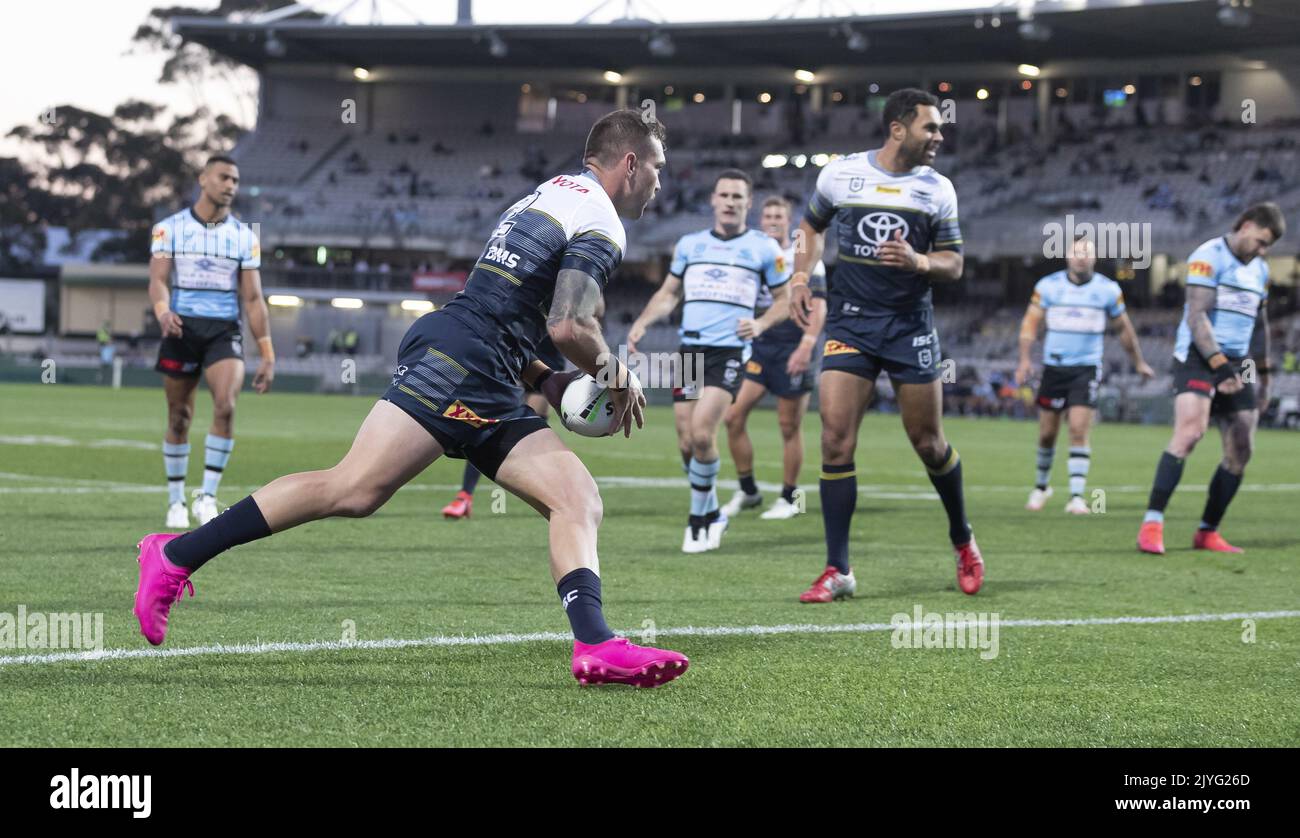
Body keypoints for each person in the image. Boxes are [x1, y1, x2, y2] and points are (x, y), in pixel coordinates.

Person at [133, 110, 689, 688]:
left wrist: (548, 380)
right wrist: (618, 373)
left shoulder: (547, 195)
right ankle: (173, 557)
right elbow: (571, 325)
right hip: (463, 364)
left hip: (480, 363)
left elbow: (500, 309)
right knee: (352, 488)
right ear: (630, 164)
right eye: (657, 168)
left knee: (576, 496)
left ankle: (595, 644)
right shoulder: (601, 219)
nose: (659, 183)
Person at [789, 88, 983, 602]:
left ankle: (963, 538)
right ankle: (838, 569)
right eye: (931, 127)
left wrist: (920, 262)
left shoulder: (937, 189)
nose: (939, 136)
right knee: (835, 440)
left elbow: (954, 263)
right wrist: (799, 279)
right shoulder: (840, 174)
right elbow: (809, 227)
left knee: (929, 444)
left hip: (909, 329)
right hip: (851, 326)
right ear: (898, 128)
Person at [1137, 202, 1284, 555]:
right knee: (1190, 432)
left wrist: (1263, 376)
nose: (1262, 251)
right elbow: (1196, 317)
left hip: (1237, 362)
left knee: (1242, 447)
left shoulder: (1259, 271)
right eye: (1261, 241)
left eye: (1268, 247)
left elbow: (1259, 328)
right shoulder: (1208, 255)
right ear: (1246, 226)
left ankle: (1207, 531)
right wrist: (1220, 369)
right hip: (1198, 358)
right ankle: (1152, 524)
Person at [148, 155, 274, 529]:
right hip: (181, 330)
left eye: (235, 179)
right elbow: (157, 281)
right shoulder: (167, 229)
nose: (231, 185)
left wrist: (267, 352)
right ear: (204, 179)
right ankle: (175, 499)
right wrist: (162, 312)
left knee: (226, 406)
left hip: (223, 331)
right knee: (179, 416)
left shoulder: (244, 237)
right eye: (224, 177)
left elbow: (252, 300)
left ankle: (206, 496)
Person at [1015, 236, 1154, 514]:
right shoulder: (1048, 286)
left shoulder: (1107, 290)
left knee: (1078, 428)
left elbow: (1124, 329)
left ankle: (1076, 496)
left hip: (1086, 369)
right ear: (1067, 255)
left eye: (1087, 252)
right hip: (1053, 369)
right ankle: (1042, 487)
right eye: (1077, 252)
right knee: (1047, 434)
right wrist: (1024, 360)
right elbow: (1030, 323)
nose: (1081, 257)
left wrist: (1139, 362)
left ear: (1094, 257)